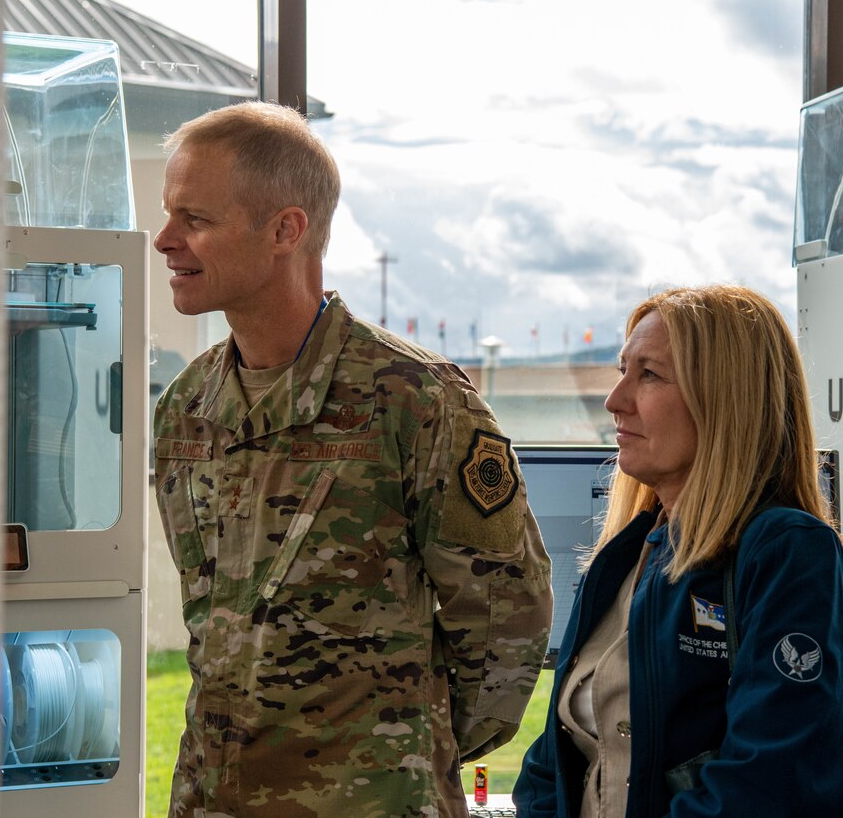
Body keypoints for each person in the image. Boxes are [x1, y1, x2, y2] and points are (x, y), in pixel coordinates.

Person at [151, 101, 553, 818]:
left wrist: (397, 752)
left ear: (286, 230)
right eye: (168, 215)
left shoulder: (414, 399)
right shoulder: (188, 407)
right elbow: (212, 623)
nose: (164, 240)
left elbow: (505, 622)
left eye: (195, 219)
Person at [513, 285, 843, 817]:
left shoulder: (786, 552)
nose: (614, 401)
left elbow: (772, 780)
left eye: (649, 375)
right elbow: (552, 761)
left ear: (725, 400)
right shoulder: (625, 556)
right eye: (622, 371)